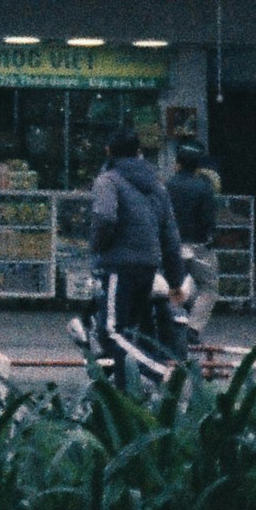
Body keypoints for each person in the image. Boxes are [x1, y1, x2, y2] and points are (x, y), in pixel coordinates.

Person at [86, 127, 185, 362]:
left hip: (118, 266)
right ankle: (124, 389)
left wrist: (97, 248)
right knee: (129, 332)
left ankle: (159, 372)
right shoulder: (158, 186)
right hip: (148, 267)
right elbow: (170, 237)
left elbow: (104, 218)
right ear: (139, 152)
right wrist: (175, 282)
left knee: (111, 334)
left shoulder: (108, 181)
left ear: (108, 151)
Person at [168, 146, 221, 337]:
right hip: (198, 246)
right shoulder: (204, 187)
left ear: (177, 164)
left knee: (171, 286)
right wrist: (210, 238)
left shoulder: (167, 186)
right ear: (198, 167)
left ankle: (172, 325)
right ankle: (193, 328)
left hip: (172, 246)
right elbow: (209, 219)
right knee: (209, 288)